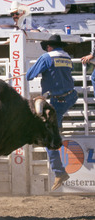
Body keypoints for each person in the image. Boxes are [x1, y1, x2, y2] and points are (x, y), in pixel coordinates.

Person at [26, 34, 77, 191]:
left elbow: (29, 75)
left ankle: (59, 171)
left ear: (49, 46)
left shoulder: (47, 57)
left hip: (58, 101)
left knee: (50, 136)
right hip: (70, 97)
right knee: (52, 126)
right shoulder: (66, 57)